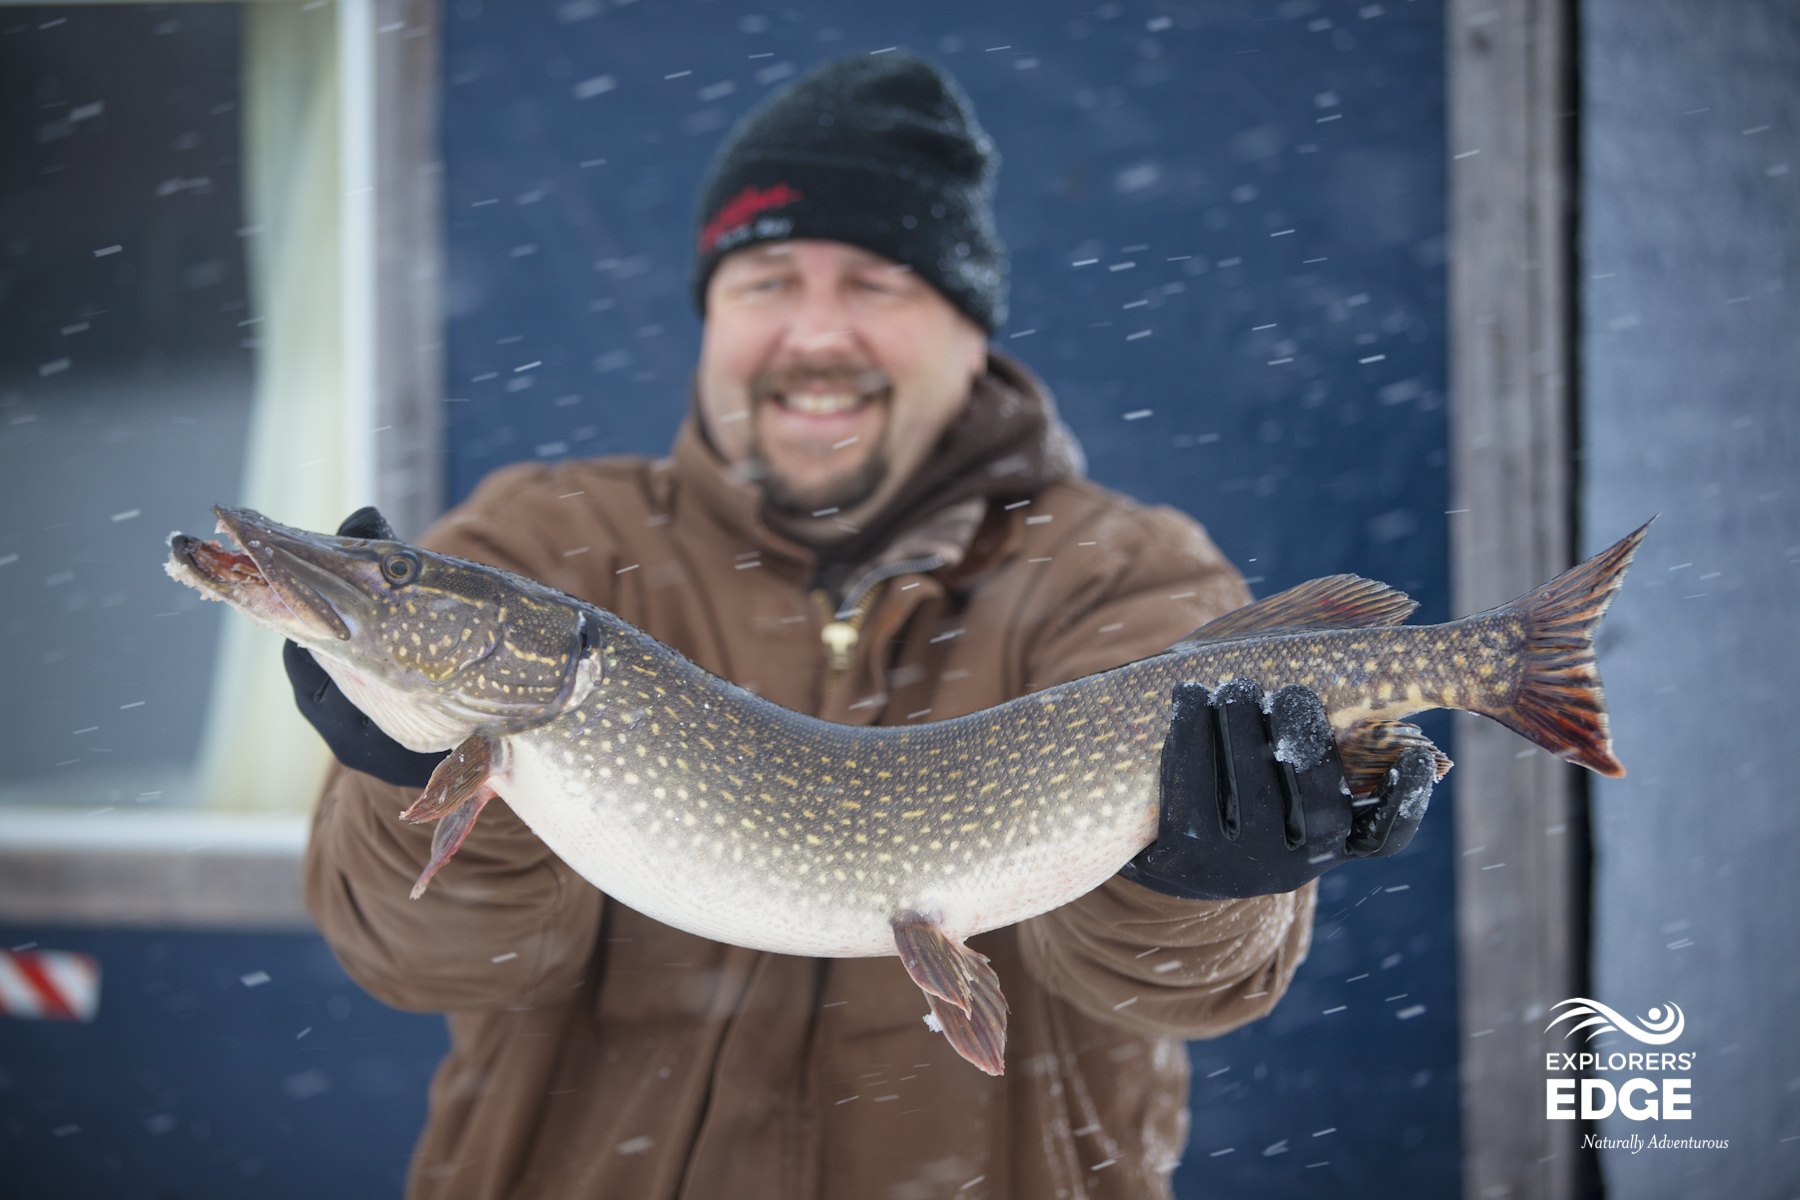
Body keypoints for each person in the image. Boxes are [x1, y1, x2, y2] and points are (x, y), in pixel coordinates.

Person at [290, 54, 1434, 1200]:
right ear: (709, 314)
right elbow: (415, 958)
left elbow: (1184, 991)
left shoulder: (1124, 573)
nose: (816, 333)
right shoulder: (542, 545)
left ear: (970, 325)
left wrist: (1193, 882)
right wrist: (411, 775)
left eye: (878, 282)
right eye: (767, 279)